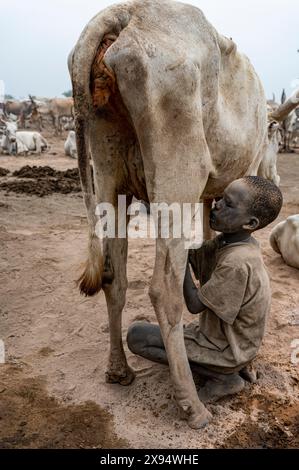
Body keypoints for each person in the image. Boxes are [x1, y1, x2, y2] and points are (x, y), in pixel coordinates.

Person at [127, 176, 283, 403]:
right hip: (233, 341)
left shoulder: (237, 262)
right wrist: (168, 223)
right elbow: (194, 255)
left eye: (228, 204)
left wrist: (175, 248)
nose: (216, 205)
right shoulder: (232, 243)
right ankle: (228, 369)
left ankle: (224, 377)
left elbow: (194, 304)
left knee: (136, 337)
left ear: (250, 223)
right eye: (220, 198)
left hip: (228, 350)